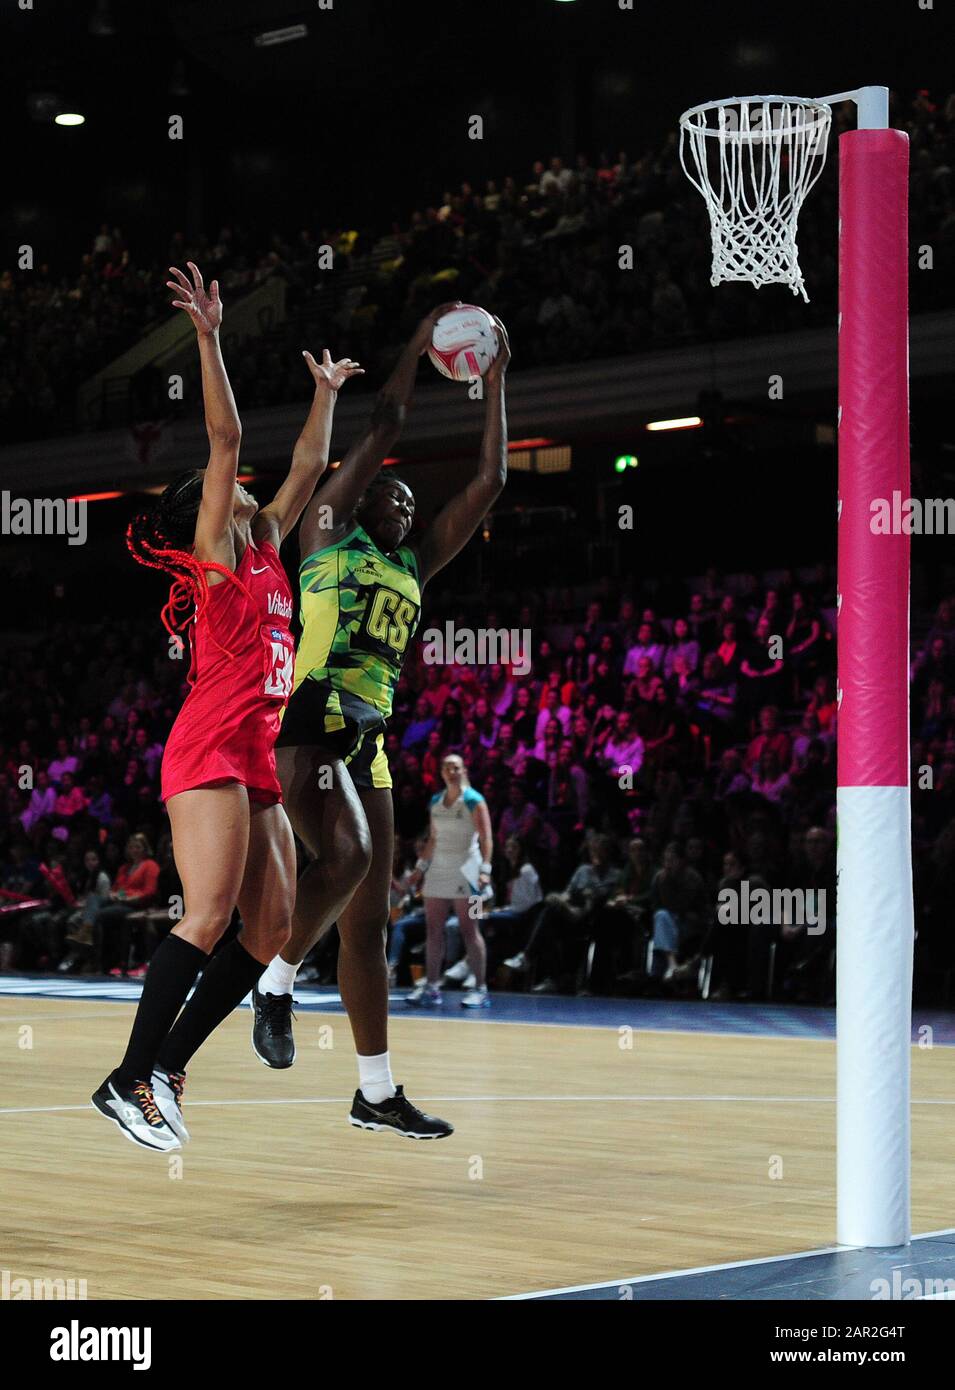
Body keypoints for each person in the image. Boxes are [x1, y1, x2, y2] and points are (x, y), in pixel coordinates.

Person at [91, 261, 362, 1152]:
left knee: (274, 926)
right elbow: (226, 437)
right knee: (205, 918)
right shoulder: (217, 549)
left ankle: (166, 1068)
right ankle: (128, 1080)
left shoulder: (270, 543)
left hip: (253, 754)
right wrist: (208, 336)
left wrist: (324, 393)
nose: (248, 487)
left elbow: (312, 466)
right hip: (207, 747)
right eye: (234, 485)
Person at [251, 306, 510, 1141]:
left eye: (408, 499)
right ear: (361, 503)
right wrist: (422, 334)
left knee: (368, 924)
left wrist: (495, 385)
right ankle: (276, 980)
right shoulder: (325, 535)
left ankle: (374, 1091)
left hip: (369, 736)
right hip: (310, 717)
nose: (400, 502)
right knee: (353, 856)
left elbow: (489, 482)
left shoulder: (414, 562)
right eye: (386, 493)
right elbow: (387, 421)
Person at [405, 754, 494, 1009]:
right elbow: (433, 839)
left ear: (463, 770)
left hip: (468, 870)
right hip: (439, 870)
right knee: (433, 930)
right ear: (442, 772)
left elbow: (487, 838)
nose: (451, 771)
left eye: (455, 767)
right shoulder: (435, 801)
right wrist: (420, 868)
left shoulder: (475, 800)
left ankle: (481, 989)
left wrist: (485, 869)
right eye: (446, 767)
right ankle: (432, 987)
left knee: (469, 930)